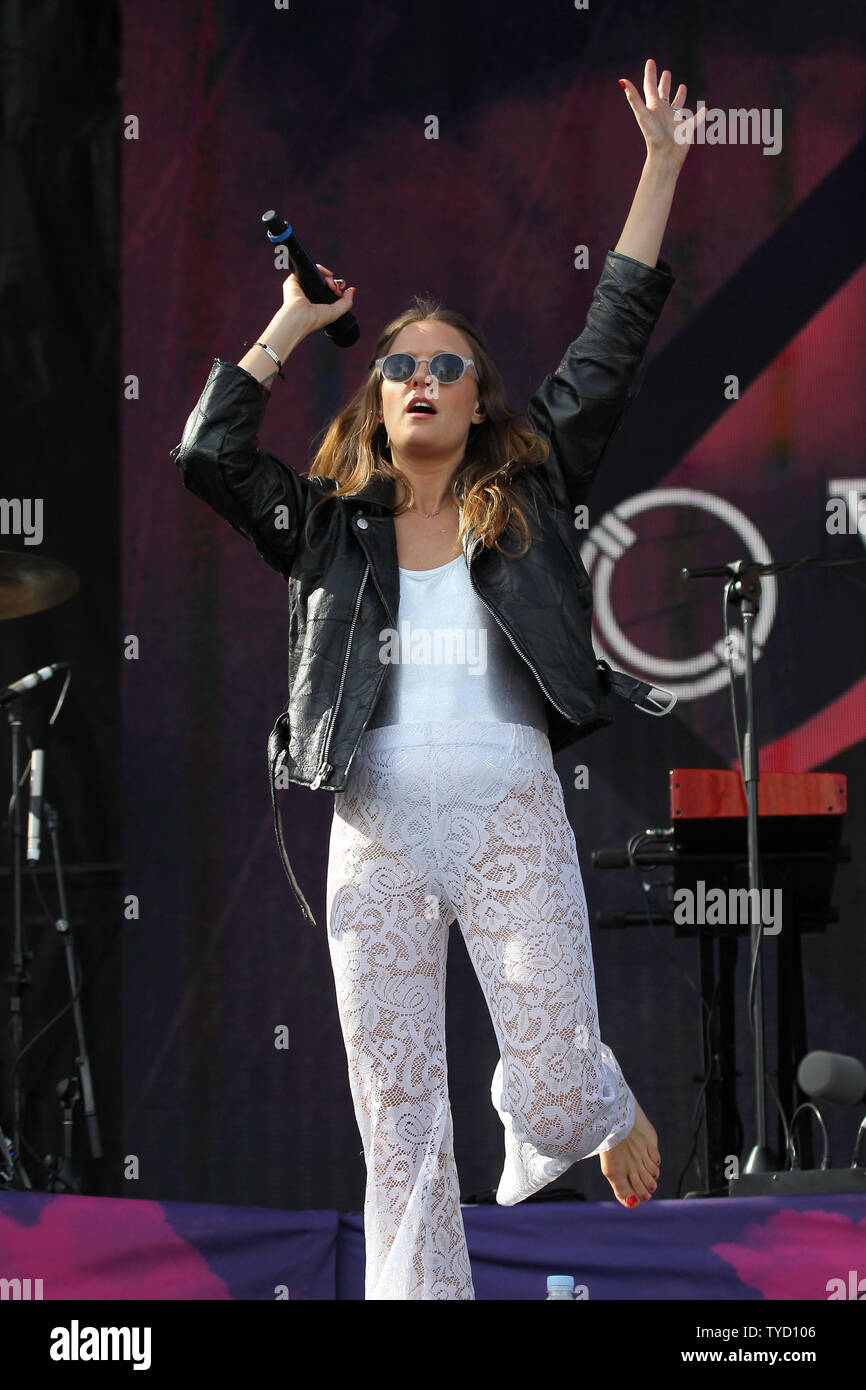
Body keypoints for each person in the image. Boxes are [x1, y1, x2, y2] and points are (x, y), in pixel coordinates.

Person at [172, 60, 703, 1299]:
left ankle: (574, 1098)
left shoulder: (527, 489)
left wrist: (661, 164)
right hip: (374, 826)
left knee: (567, 1082)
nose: (419, 375)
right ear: (375, 398)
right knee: (399, 1128)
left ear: (478, 404)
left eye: (446, 365)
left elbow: (611, 340)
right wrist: (293, 322)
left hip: (508, 801)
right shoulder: (324, 527)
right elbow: (208, 452)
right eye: (399, 363)